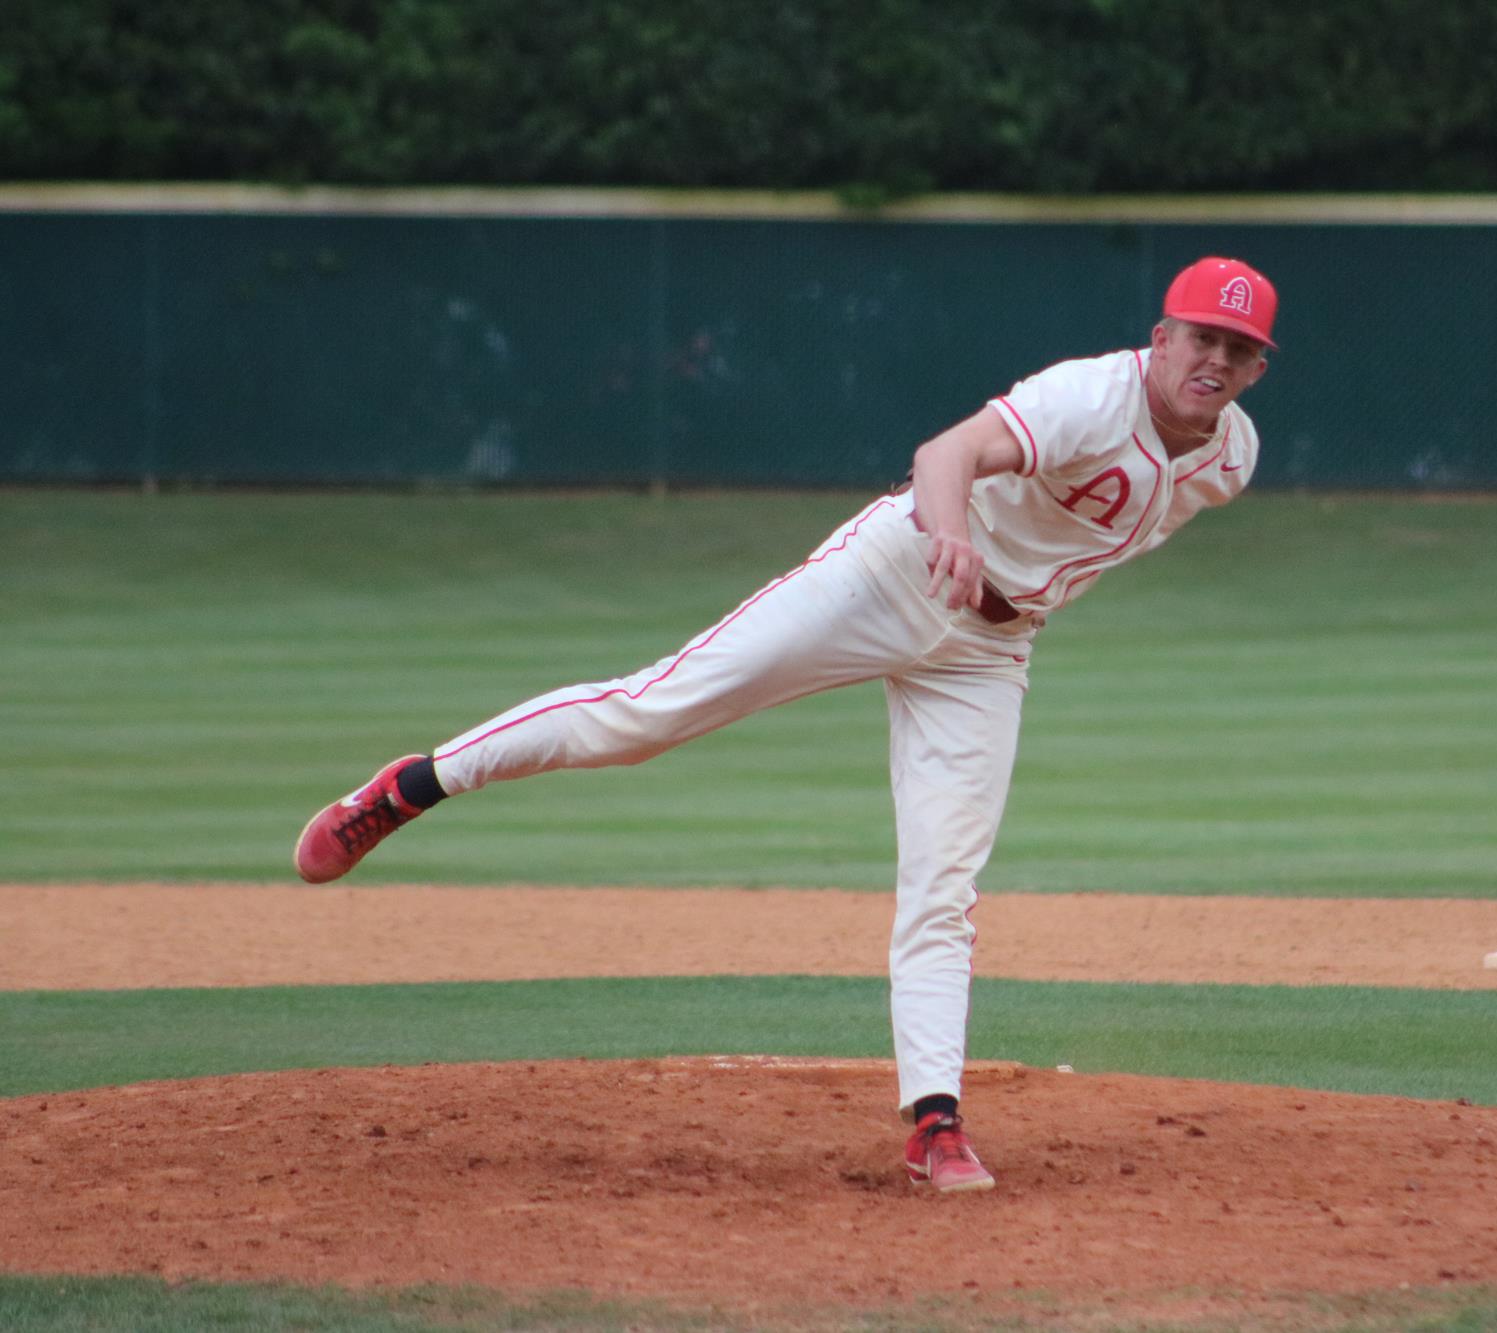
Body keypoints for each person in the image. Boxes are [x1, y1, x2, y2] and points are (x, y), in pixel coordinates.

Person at [292, 256, 1279, 1193]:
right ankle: (411, 785)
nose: (1215, 361)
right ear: (1158, 336)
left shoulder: (1230, 459)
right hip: (889, 575)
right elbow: (947, 452)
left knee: (944, 879)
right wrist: (946, 537)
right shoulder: (1088, 397)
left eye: (1238, 350)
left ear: (1256, 368)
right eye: (1200, 337)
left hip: (987, 652)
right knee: (649, 713)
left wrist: (1002, 593)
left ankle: (934, 1122)